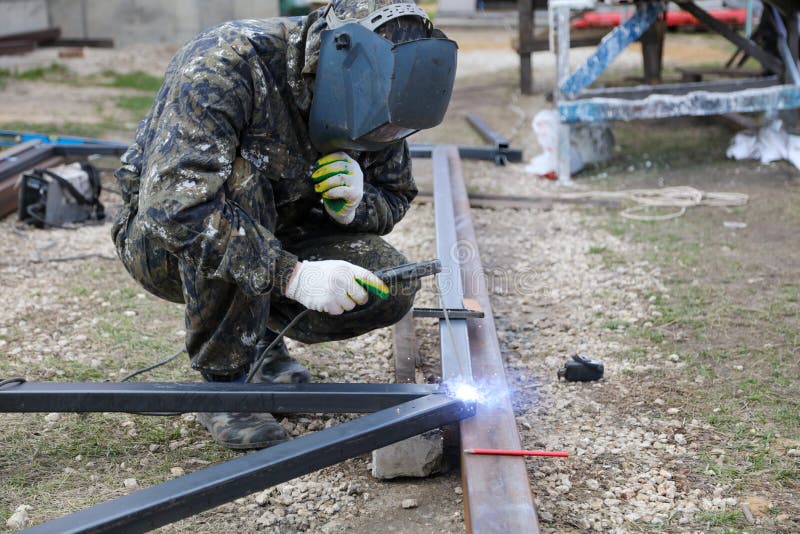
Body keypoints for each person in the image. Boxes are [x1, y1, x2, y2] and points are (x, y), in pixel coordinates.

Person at [111, 0, 456, 449]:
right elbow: (175, 207)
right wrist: (293, 276)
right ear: (336, 59)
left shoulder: (388, 87)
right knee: (241, 182)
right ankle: (225, 385)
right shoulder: (228, 60)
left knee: (391, 285)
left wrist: (355, 205)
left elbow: (395, 194)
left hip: (283, 233)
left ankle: (261, 341)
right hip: (162, 244)